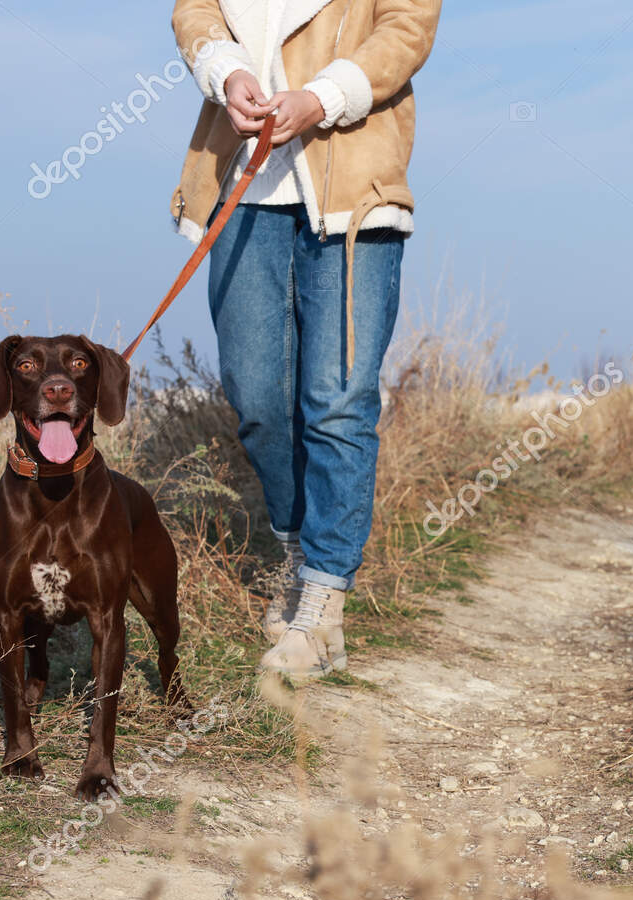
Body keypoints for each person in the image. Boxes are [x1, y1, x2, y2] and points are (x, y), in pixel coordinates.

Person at [170, 0, 442, 678]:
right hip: (243, 187)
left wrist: (322, 98)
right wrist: (226, 72)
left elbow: (407, 28)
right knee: (257, 396)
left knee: (339, 397)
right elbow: (194, 9)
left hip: (354, 186)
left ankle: (322, 604)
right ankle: (295, 547)